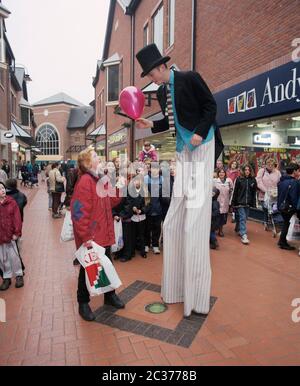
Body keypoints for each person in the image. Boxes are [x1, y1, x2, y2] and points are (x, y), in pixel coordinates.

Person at [135, 43, 224, 316]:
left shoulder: (189, 78)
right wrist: (150, 125)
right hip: (183, 150)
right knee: (173, 224)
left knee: (193, 223)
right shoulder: (163, 92)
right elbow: (169, 122)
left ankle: (196, 299)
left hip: (203, 144)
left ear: (162, 66)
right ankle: (176, 288)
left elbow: (211, 107)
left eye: (152, 74)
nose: (152, 79)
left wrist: (199, 132)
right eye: (149, 76)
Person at [71, 147, 124, 322]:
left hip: (104, 233)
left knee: (107, 265)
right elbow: (78, 212)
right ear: (87, 163)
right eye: (95, 155)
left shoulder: (100, 179)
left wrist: (119, 187)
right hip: (93, 237)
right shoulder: (85, 181)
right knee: (88, 269)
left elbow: (113, 200)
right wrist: (85, 237)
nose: (98, 157)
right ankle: (83, 303)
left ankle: (109, 296)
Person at [0, 182, 24, 290]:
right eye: (0, 189)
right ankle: (6, 277)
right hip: (1, 237)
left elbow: (17, 218)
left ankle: (19, 275)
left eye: (3, 188)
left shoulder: (11, 202)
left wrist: (16, 232)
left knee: (14, 257)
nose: (3, 190)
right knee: (3, 259)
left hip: (11, 236)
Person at [231, 164, 257, 245]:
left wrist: (253, 203)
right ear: (243, 170)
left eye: (248, 170)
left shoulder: (253, 180)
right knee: (243, 217)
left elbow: (254, 193)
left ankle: (238, 228)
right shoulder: (239, 179)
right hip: (240, 202)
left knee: (244, 217)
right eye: (245, 170)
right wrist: (233, 202)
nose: (247, 171)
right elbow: (235, 192)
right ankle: (243, 235)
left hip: (248, 202)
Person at [277, 163, 300, 250]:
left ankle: (282, 241)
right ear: (294, 171)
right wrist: (296, 209)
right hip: (289, 207)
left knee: (286, 223)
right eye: (298, 170)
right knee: (286, 223)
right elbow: (294, 197)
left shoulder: (281, 181)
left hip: (282, 206)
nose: (299, 172)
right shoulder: (294, 182)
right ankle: (282, 242)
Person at [256, 158, 281, 231]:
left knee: (273, 208)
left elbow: (279, 182)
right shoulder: (261, 171)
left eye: (272, 164)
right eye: (268, 164)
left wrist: (275, 191)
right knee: (265, 208)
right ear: (266, 164)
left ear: (274, 165)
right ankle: (265, 221)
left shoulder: (278, 172)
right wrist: (266, 191)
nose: (270, 166)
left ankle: (273, 222)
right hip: (263, 194)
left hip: (274, 195)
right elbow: (258, 181)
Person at [144, 164, 163, 255]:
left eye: (156, 168)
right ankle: (147, 245)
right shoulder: (145, 179)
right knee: (147, 228)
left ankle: (155, 246)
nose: (155, 170)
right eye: (153, 168)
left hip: (158, 209)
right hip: (148, 209)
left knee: (157, 229)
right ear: (150, 169)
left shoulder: (162, 179)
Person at [213, 169, 233, 237]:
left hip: (225, 202)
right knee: (216, 216)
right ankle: (215, 228)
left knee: (223, 217)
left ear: (225, 173)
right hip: (217, 202)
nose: (221, 173)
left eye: (223, 172)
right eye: (220, 172)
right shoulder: (215, 181)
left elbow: (231, 189)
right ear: (218, 173)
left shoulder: (228, 181)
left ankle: (220, 230)